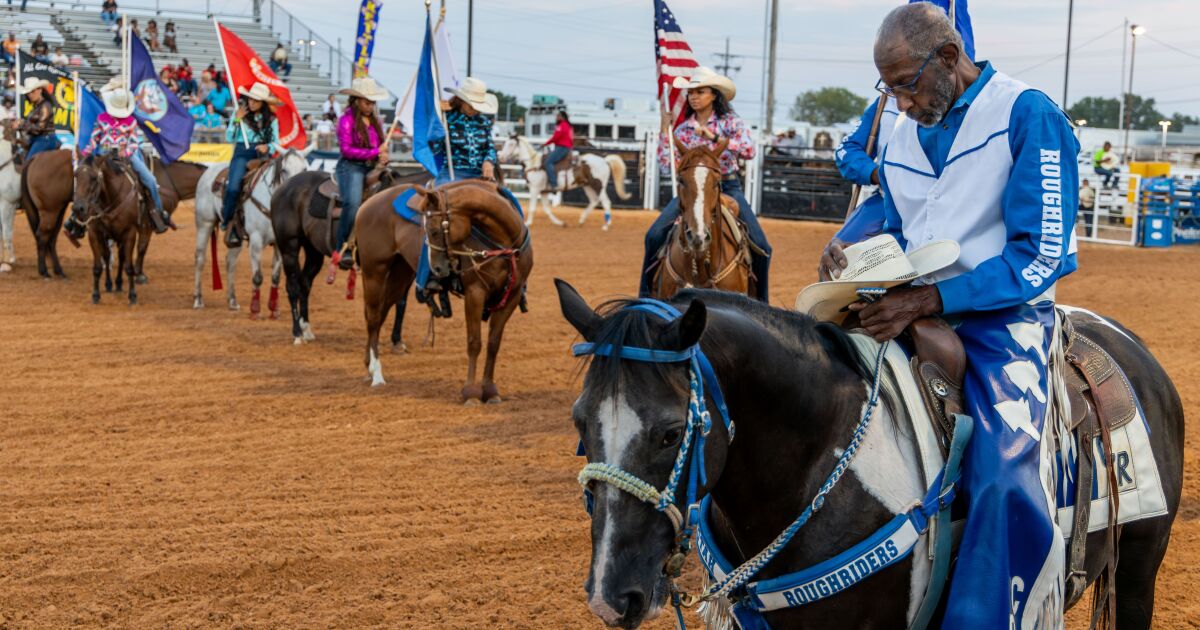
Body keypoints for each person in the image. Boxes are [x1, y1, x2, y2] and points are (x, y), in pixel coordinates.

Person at [817, 5, 1079, 627]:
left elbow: (1043, 254)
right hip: (902, 303)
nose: (898, 103)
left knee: (1000, 475)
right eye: (890, 87)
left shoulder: (1028, 113)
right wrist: (849, 237)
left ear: (949, 57)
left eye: (906, 83)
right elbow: (891, 201)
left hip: (1000, 319)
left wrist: (933, 300)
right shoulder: (906, 124)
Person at [640, 66, 771, 301]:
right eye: (691, 93)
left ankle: (762, 304)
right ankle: (645, 296)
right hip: (690, 190)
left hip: (727, 187)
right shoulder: (682, 129)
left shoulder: (730, 123)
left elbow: (749, 150)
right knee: (653, 235)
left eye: (700, 92)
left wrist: (713, 138)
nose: (694, 96)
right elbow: (664, 163)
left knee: (761, 245)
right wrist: (663, 129)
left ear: (714, 95)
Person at [77, 84, 173, 234]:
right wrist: (86, 153)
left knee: (151, 181)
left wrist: (125, 153)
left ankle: (158, 213)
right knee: (85, 179)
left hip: (127, 155)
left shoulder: (131, 122)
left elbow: (134, 143)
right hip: (103, 155)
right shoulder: (102, 118)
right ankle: (76, 219)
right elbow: (94, 139)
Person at [327, 76, 389, 277]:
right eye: (366, 101)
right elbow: (347, 150)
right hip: (350, 167)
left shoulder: (376, 122)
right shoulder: (346, 120)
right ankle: (341, 246)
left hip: (371, 166)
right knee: (352, 202)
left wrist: (384, 156)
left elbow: (379, 147)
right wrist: (374, 153)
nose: (370, 106)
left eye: (372, 102)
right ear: (356, 100)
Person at [219, 82, 282, 245]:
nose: (252, 103)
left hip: (263, 156)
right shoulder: (239, 114)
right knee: (233, 188)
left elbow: (276, 142)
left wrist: (267, 146)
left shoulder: (272, 119)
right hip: (242, 153)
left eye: (256, 101)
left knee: (279, 186)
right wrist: (236, 121)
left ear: (263, 103)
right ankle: (228, 221)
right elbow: (229, 138)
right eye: (250, 100)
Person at [16, 78, 61, 162]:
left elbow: (39, 129)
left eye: (32, 91)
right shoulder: (37, 106)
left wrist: (21, 125)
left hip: (45, 139)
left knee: (28, 162)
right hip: (37, 138)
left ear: (40, 90)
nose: (30, 94)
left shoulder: (45, 106)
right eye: (28, 92)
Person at [541, 110, 572, 192]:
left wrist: (545, 144)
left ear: (562, 117)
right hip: (563, 147)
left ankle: (554, 185)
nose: (557, 118)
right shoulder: (567, 125)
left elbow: (555, 137)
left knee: (548, 162)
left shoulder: (561, 125)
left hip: (562, 147)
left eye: (558, 116)